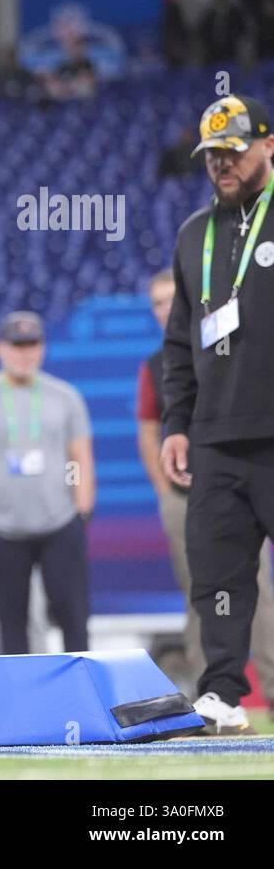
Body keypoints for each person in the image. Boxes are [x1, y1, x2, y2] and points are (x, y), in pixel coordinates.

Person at [161, 94, 274, 735]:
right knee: (218, 576)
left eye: (232, 150)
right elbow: (180, 340)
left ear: (268, 146)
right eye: (212, 155)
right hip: (216, 438)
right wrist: (178, 424)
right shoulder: (194, 234)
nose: (221, 164)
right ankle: (222, 692)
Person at [138, 269, 274, 704]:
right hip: (184, 497)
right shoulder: (156, 365)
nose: (165, 309)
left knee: (258, 590)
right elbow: (147, 432)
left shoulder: (232, 345)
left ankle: (272, 691)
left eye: (171, 299)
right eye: (157, 303)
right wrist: (165, 490)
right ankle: (209, 700)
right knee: (200, 594)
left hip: (241, 488)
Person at [0, 311, 95, 655]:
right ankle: (22, 701)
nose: (24, 354)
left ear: (42, 349)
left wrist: (82, 508)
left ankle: (88, 695)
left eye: (31, 345)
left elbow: (79, 455)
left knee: (73, 615)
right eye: (17, 346)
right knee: (10, 622)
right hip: (2, 529)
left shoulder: (65, 396)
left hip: (59, 523)